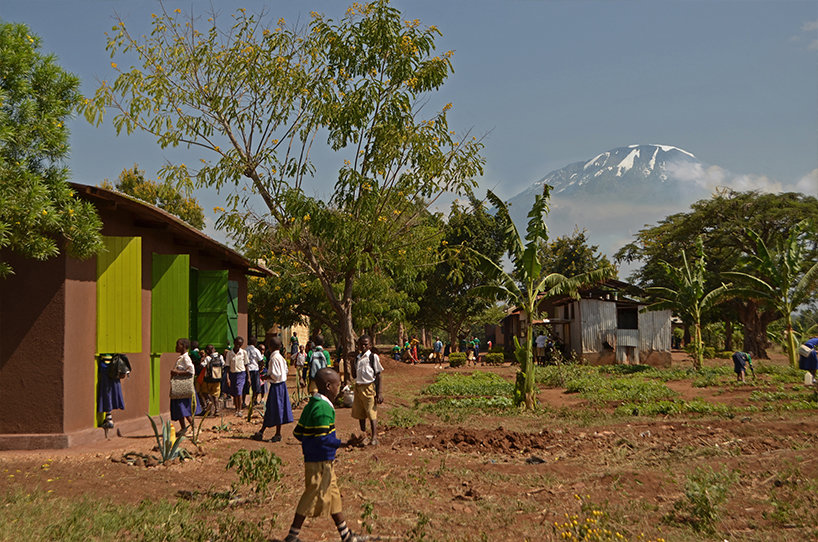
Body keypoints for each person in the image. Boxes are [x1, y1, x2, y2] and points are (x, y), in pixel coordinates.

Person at [283, 368, 361, 542]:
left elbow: (298, 433)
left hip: (319, 458)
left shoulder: (312, 403)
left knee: (333, 494)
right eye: (337, 385)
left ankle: (346, 535)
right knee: (311, 494)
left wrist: (308, 442)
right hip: (319, 461)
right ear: (328, 386)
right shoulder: (324, 408)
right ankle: (292, 536)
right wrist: (344, 443)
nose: (338, 389)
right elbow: (322, 438)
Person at [253, 336, 293, 442]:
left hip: (276, 387)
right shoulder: (281, 358)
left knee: (274, 409)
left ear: (270, 347)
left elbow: (275, 375)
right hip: (282, 386)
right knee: (277, 409)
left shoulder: (273, 359)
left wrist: (267, 377)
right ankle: (265, 432)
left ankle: (273, 433)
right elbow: (285, 371)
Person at [351, 335, 384, 446]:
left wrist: (379, 393)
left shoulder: (373, 357)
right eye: (361, 345)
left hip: (369, 387)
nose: (363, 346)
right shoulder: (357, 358)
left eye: (366, 344)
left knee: (371, 412)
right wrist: (352, 362)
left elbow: (378, 375)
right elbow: (354, 375)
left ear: (370, 345)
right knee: (360, 412)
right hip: (358, 387)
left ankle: (374, 437)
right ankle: (363, 434)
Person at [170, 338, 196, 432]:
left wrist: (177, 373)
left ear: (184, 346)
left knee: (183, 408)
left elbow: (191, 371)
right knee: (179, 409)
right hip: (178, 389)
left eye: (178, 345)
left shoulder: (186, 358)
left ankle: (194, 427)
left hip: (183, 389)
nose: (176, 347)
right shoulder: (181, 358)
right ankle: (183, 428)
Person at [225, 336, 249, 417]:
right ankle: (236, 409)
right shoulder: (229, 353)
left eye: (240, 344)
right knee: (234, 393)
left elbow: (246, 365)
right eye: (237, 344)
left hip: (241, 374)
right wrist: (227, 378)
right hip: (232, 374)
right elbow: (227, 367)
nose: (238, 346)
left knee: (239, 391)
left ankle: (240, 409)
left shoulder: (244, 353)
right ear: (234, 343)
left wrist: (248, 377)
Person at [201, 344, 224, 416]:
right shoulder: (220, 356)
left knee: (204, 392)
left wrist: (202, 359)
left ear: (207, 351)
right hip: (217, 379)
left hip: (209, 379)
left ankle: (209, 401)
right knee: (216, 395)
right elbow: (223, 364)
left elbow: (202, 365)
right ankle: (217, 410)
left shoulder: (208, 358)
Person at [246, 337, 264, 406]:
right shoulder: (256, 350)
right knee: (256, 387)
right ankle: (254, 400)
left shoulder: (245, 350)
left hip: (247, 370)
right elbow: (261, 360)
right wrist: (261, 368)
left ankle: (244, 402)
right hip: (255, 370)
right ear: (254, 343)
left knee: (246, 386)